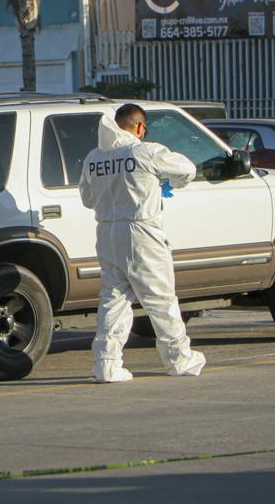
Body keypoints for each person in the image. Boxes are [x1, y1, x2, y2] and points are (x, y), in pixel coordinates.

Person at [79, 103, 205, 383]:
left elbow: (87, 199)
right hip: (141, 231)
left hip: (107, 233)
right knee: (160, 298)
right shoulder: (144, 151)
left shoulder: (93, 158)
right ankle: (179, 359)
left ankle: (106, 363)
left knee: (114, 299)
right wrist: (162, 182)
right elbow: (187, 169)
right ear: (139, 127)